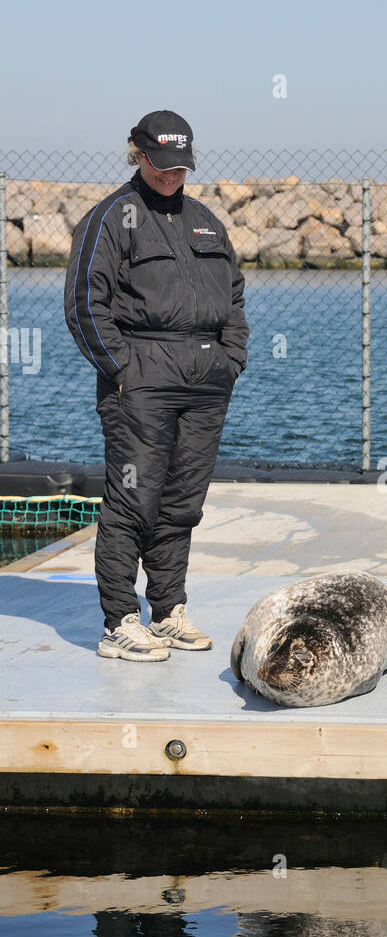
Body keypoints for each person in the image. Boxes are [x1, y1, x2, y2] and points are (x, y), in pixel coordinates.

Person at [64, 110, 249, 661]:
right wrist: (124, 371)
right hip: (140, 386)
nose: (172, 177)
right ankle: (119, 621)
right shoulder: (110, 218)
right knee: (133, 500)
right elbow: (83, 305)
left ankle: (167, 611)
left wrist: (231, 359)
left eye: (180, 168)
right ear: (137, 155)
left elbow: (234, 297)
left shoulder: (207, 222)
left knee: (181, 502)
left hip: (206, 385)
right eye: (161, 166)